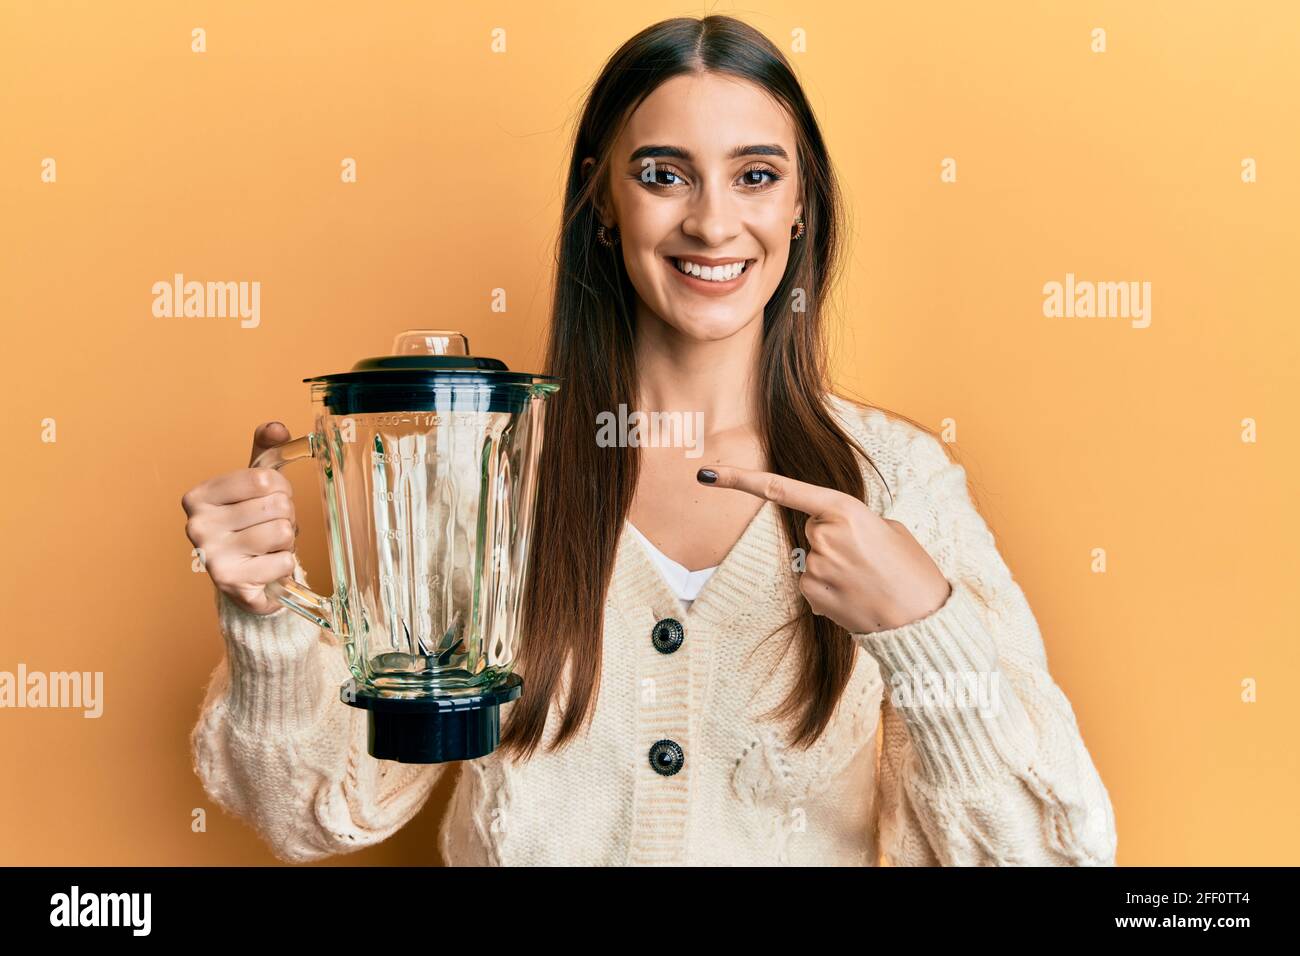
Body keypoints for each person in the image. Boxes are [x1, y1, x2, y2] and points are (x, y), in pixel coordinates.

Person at [183, 14, 1118, 866]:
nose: (713, 221)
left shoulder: (900, 481)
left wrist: (923, 629)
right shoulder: (490, 473)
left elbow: (1045, 857)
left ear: (801, 207)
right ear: (603, 201)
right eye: (663, 175)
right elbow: (320, 810)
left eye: (756, 175)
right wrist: (267, 619)